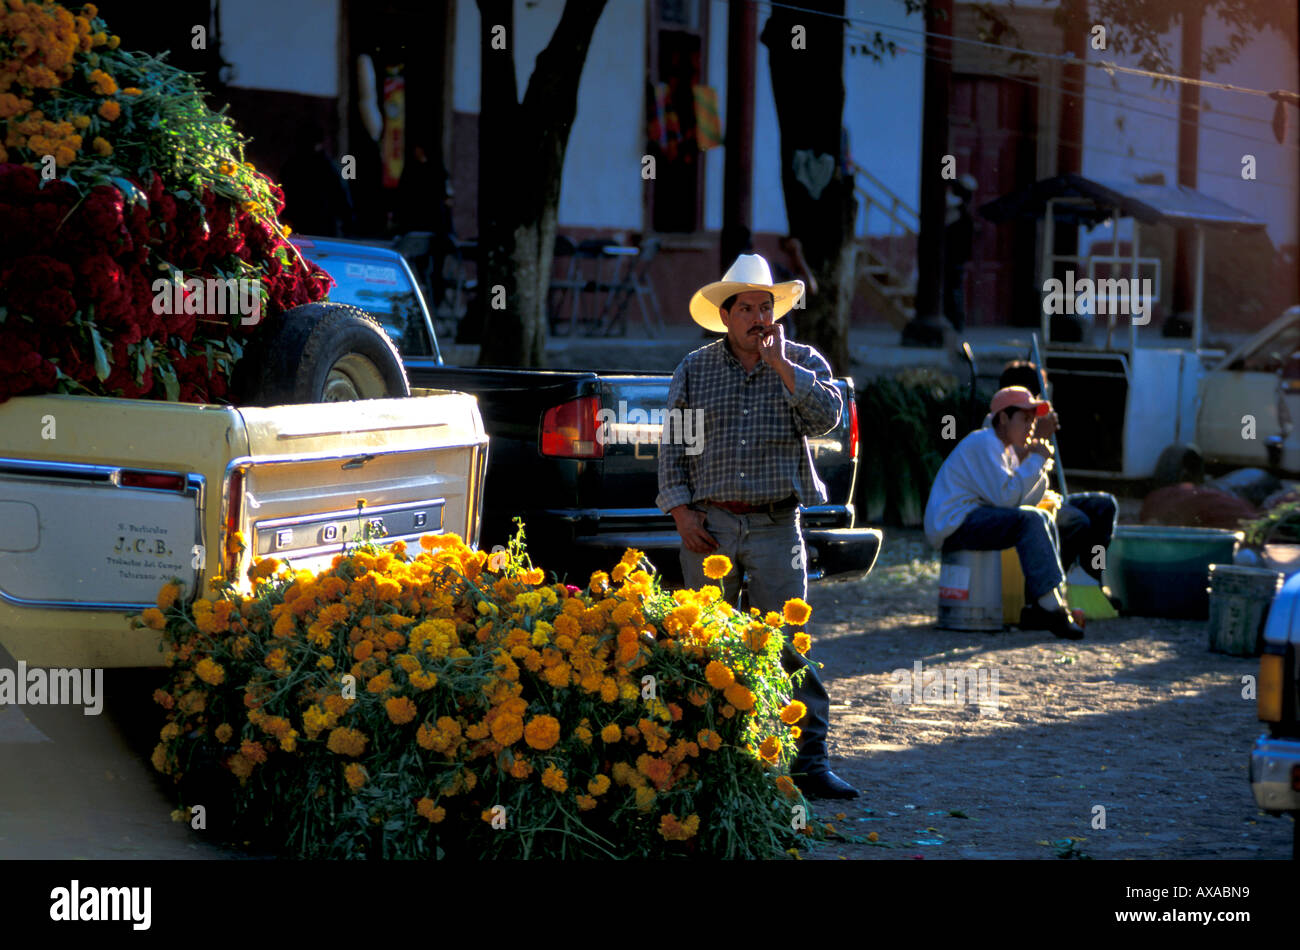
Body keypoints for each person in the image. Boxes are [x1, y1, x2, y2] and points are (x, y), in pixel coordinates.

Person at [657, 254, 859, 800]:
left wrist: (782, 368)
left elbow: (828, 418)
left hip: (776, 525)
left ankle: (808, 764)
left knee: (789, 645)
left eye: (765, 306)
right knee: (707, 645)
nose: (757, 318)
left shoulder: (801, 359)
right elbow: (673, 449)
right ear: (725, 316)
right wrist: (681, 513)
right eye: (745, 307)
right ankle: (708, 759)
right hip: (711, 526)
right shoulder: (694, 369)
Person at [924, 386, 1086, 640]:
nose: (1031, 427)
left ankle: (1042, 602)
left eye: (1033, 421)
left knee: (1041, 516)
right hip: (954, 525)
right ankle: (1050, 608)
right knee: (1032, 520)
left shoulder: (1005, 451)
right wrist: (1035, 460)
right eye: (1025, 419)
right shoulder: (984, 442)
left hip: (971, 518)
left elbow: (1023, 501)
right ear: (1003, 418)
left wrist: (1038, 464)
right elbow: (1006, 498)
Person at [998, 361, 1119, 598]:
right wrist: (1037, 438)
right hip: (1022, 506)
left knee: (1104, 506)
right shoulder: (1000, 425)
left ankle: (1093, 578)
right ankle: (1048, 588)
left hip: (1044, 499)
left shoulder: (1030, 422)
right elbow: (1012, 482)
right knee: (1076, 521)